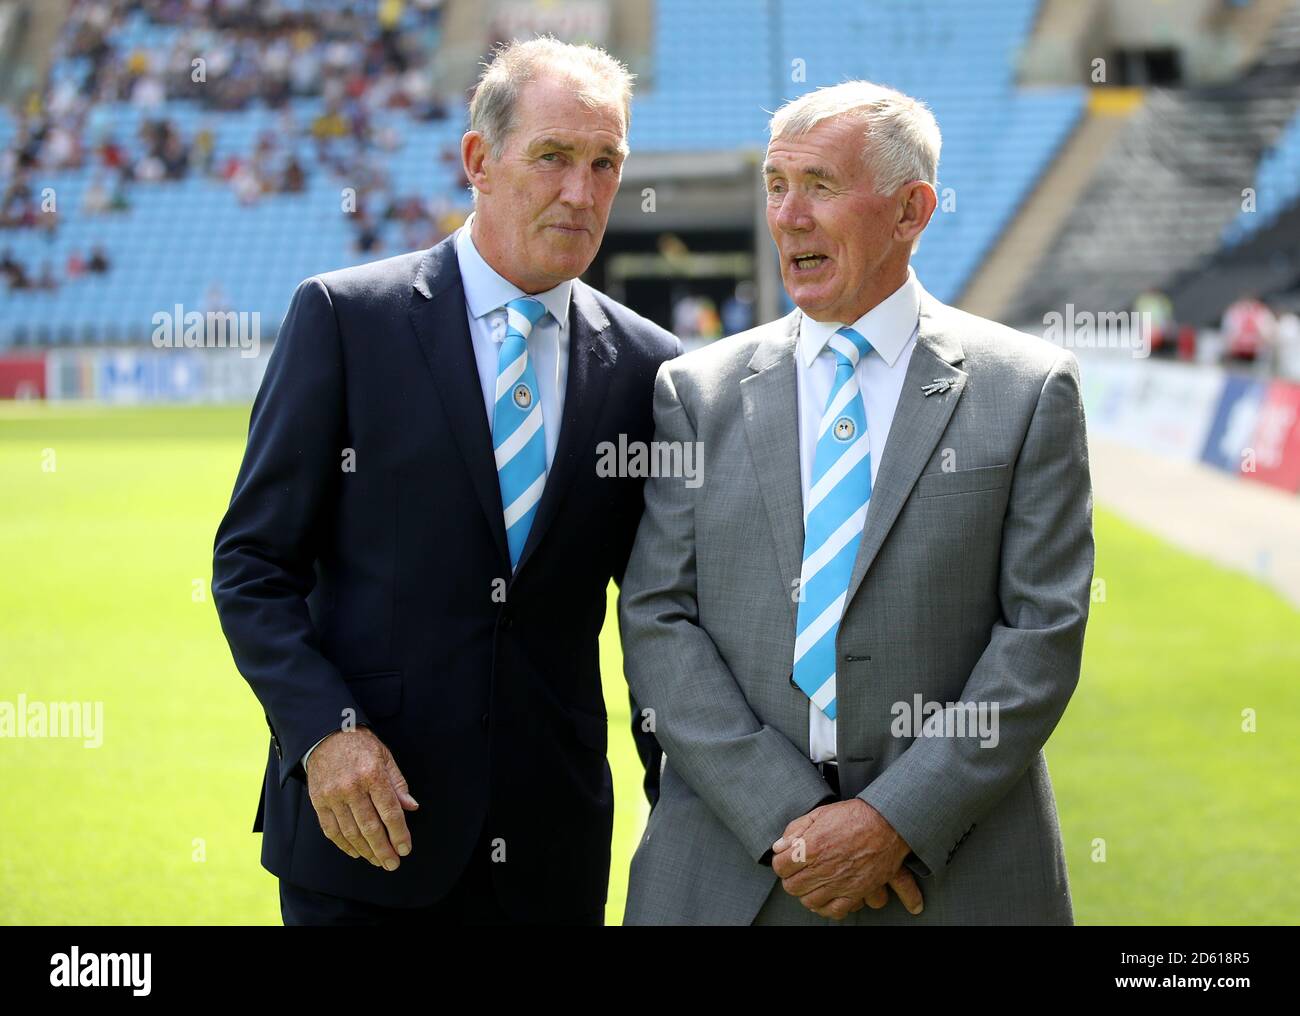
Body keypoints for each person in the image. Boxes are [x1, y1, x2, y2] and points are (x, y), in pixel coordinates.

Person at [212, 37, 679, 927]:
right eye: (552, 157)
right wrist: (322, 733)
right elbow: (250, 565)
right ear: (479, 160)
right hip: (365, 833)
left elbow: (664, 616)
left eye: (605, 163)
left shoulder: (650, 369)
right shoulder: (347, 321)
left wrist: (691, 799)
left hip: (551, 852)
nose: (582, 192)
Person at [620, 81, 1094, 925]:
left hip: (956, 872)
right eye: (775, 185)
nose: (789, 217)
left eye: (821, 186)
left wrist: (893, 818)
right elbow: (658, 617)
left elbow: (1042, 637)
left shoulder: (1026, 390)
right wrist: (784, 817)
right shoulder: (696, 392)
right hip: (736, 869)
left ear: (911, 211)